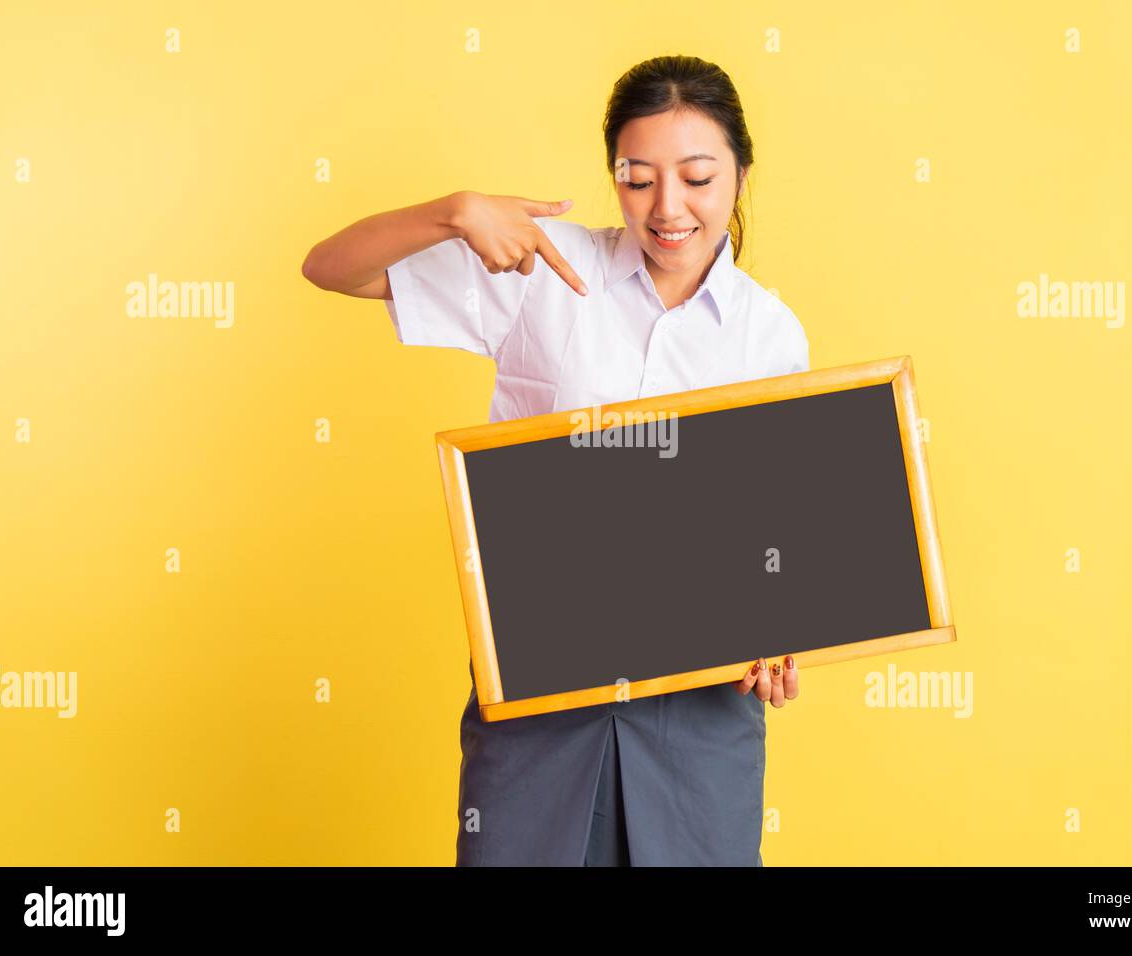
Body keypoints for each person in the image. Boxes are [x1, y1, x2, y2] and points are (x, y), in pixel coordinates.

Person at [302, 54, 808, 866]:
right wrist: (455, 213)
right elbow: (329, 267)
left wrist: (781, 630)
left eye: (698, 178)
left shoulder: (770, 335)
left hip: (700, 712)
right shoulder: (541, 269)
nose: (667, 208)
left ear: (741, 176)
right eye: (638, 179)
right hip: (537, 684)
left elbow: (770, 536)